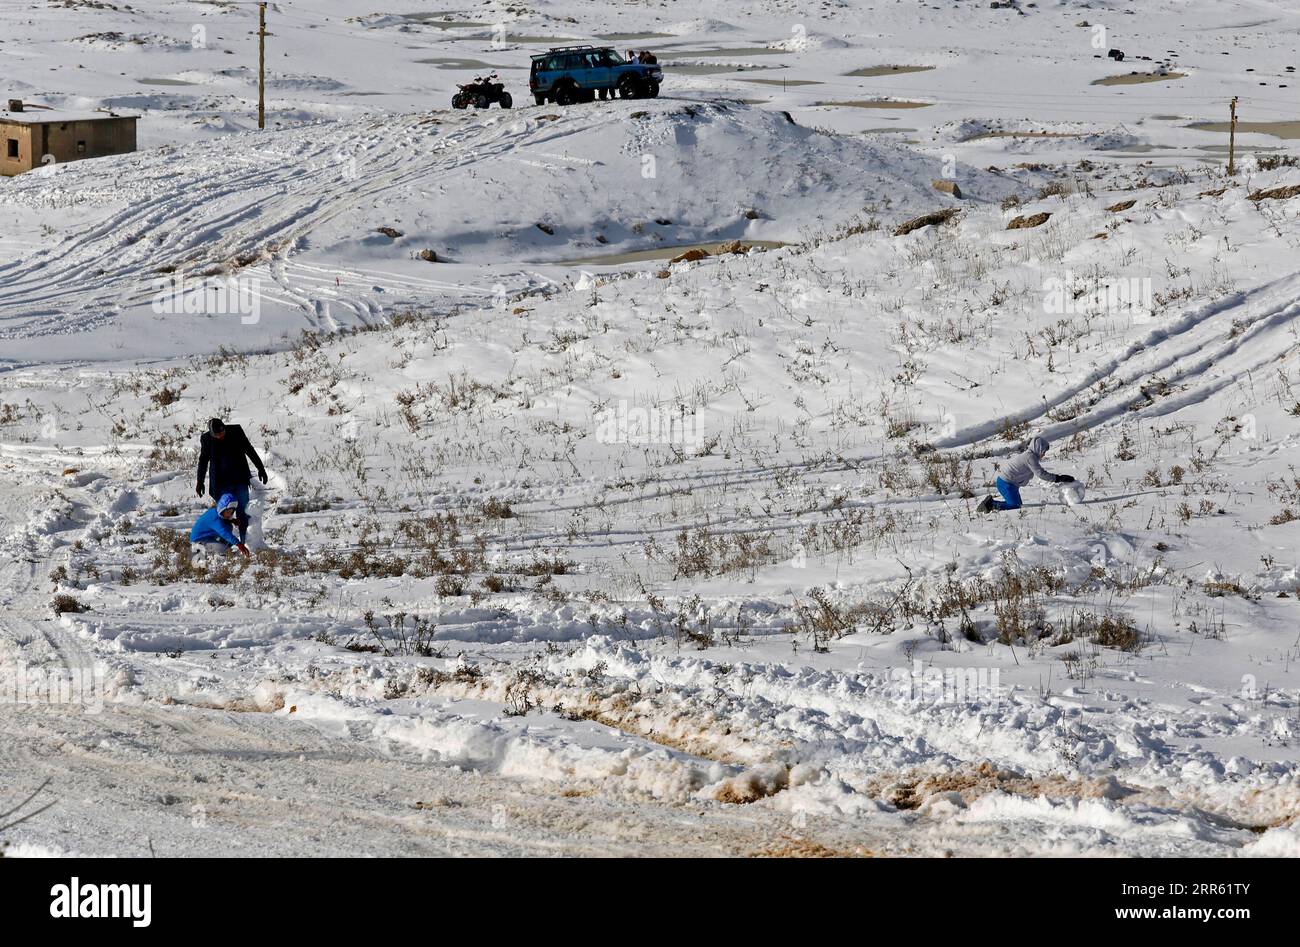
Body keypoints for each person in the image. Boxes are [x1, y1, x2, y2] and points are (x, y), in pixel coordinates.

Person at [196, 418, 267, 544]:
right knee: (223, 515)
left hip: (239, 479)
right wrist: (200, 481)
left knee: (243, 512)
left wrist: (260, 468)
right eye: (216, 435)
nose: (220, 437)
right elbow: (203, 461)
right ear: (212, 434)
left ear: (224, 428)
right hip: (221, 483)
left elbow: (249, 450)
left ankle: (247, 542)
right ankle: (224, 546)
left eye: (221, 433)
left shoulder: (236, 431)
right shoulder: (207, 439)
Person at [976, 435, 1075, 513]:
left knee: (1017, 504)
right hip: (1006, 483)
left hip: (1010, 483)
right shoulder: (1030, 457)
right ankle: (989, 505)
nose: (1044, 454)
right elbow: (1041, 474)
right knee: (1015, 505)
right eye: (1043, 451)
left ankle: (991, 503)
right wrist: (1059, 478)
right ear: (1038, 448)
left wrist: (1058, 478)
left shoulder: (1030, 455)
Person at [189, 493, 251, 558]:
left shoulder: (215, 512)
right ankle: (212, 555)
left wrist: (231, 520)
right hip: (198, 543)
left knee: (228, 526)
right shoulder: (214, 518)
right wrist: (239, 544)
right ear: (222, 509)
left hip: (207, 539)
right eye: (227, 512)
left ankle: (221, 548)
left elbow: (223, 520)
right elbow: (225, 533)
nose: (229, 515)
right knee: (227, 552)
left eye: (231, 512)